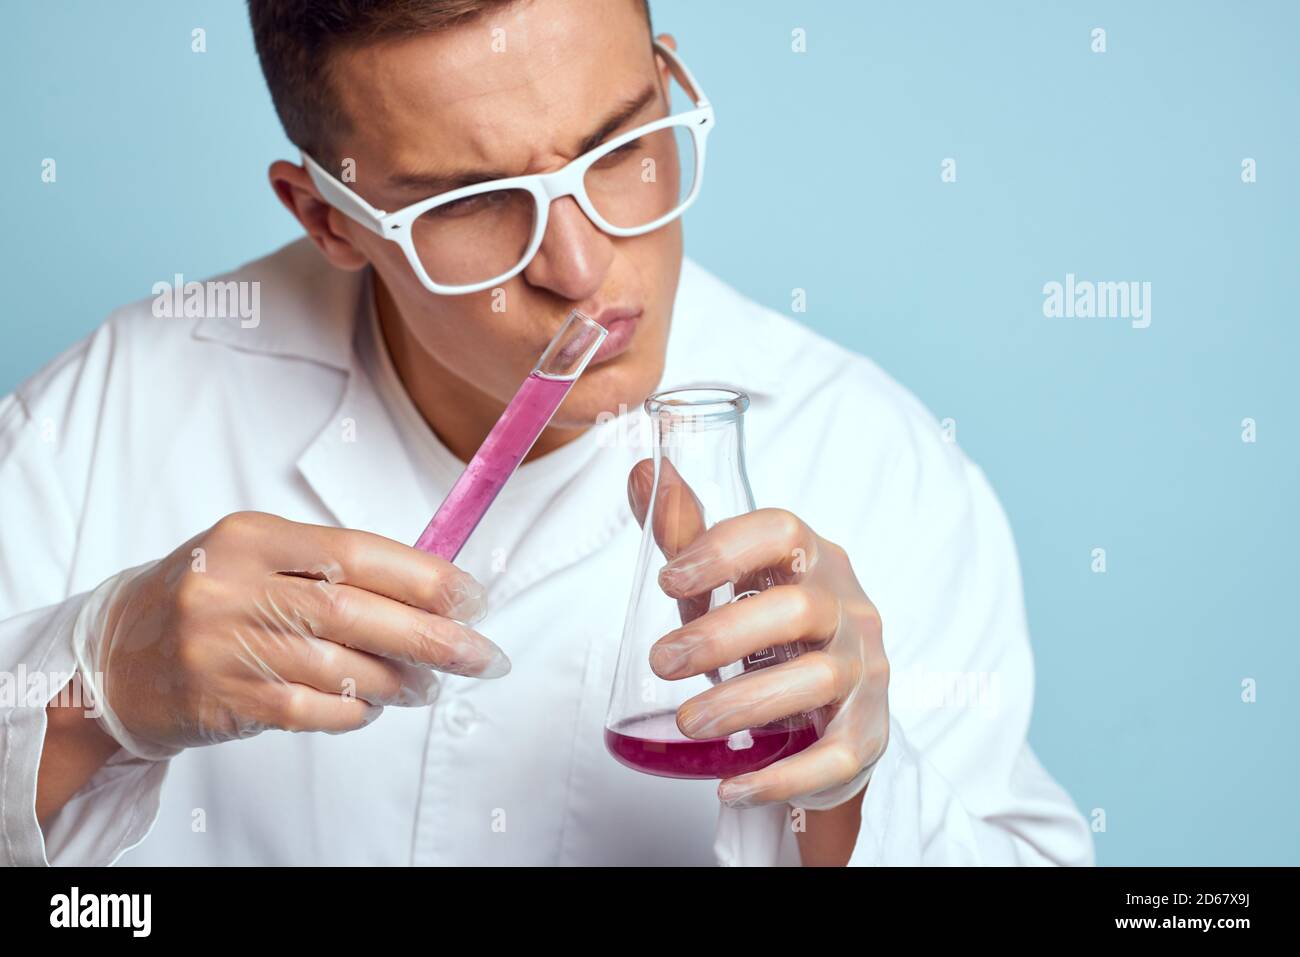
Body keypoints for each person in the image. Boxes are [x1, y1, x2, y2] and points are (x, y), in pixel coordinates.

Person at [0, 0, 1092, 866]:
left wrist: (851, 795)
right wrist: (90, 698)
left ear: (669, 83)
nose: (578, 269)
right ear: (326, 216)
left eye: (620, 147)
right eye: (471, 203)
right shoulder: (106, 420)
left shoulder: (875, 462)